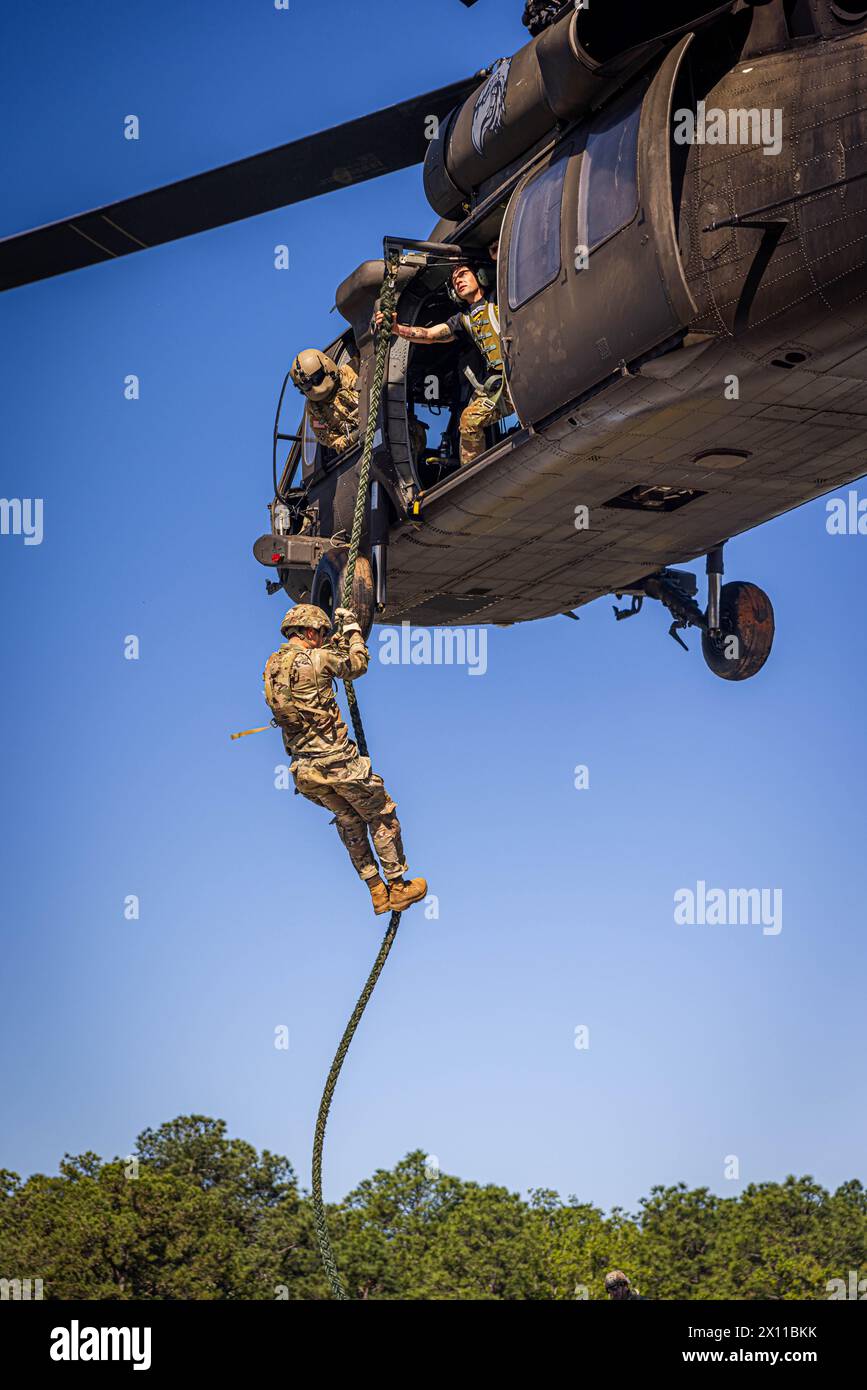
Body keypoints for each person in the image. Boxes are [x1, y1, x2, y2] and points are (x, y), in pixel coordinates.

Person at [263, 603, 427, 916]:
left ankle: (376, 891)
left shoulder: (273, 665)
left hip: (305, 770)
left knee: (350, 820)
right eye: (321, 633)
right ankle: (398, 886)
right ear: (310, 631)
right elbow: (357, 664)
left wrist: (334, 641)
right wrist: (352, 629)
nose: (323, 638)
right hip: (337, 763)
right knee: (381, 813)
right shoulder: (317, 658)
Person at [375, 260, 512, 467]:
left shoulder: (499, 299)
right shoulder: (462, 320)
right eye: (455, 280)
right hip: (499, 385)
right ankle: (474, 473)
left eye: (464, 274)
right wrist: (396, 329)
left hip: (520, 370)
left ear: (481, 277)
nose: (459, 281)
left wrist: (494, 256)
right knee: (468, 421)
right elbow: (429, 335)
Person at [290, 348, 359, 455]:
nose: (314, 387)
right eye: (307, 385)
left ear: (326, 367)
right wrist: (352, 438)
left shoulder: (351, 370)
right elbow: (331, 440)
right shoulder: (315, 411)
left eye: (317, 378)